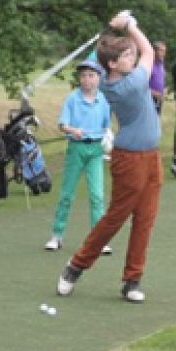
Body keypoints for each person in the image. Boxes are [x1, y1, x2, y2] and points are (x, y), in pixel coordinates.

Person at [56, 10, 162, 304]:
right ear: (113, 65)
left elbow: (101, 54)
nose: (133, 58)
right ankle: (75, 267)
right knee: (116, 217)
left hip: (151, 157)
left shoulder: (111, 73)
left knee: (145, 219)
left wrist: (111, 30)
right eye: (126, 56)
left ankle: (132, 281)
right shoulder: (128, 85)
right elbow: (149, 50)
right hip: (131, 159)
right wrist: (130, 25)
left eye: (130, 55)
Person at [45, 59, 112, 252]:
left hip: (95, 151)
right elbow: (62, 124)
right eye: (83, 76)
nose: (87, 80)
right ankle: (57, 235)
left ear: (99, 78)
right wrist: (73, 130)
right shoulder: (72, 99)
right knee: (67, 194)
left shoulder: (103, 101)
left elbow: (106, 125)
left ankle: (99, 240)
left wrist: (108, 136)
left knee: (97, 196)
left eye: (91, 75)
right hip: (76, 148)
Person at [149, 41, 167, 114]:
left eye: (165, 51)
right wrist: (154, 93)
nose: (164, 54)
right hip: (149, 99)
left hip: (159, 99)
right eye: (161, 51)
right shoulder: (149, 65)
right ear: (154, 51)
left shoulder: (161, 64)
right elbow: (141, 85)